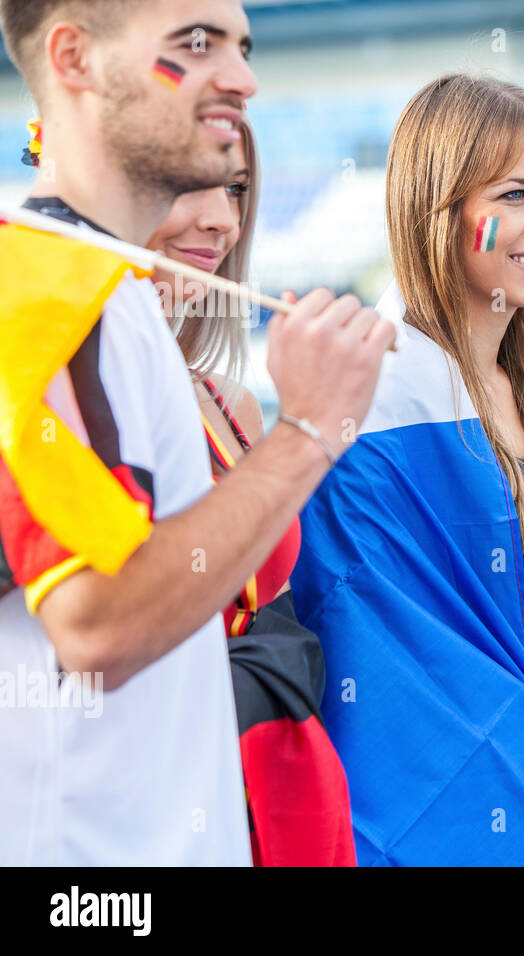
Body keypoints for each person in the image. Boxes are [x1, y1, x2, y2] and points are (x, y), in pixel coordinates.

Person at [0, 0, 392, 865]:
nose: (243, 78)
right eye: (196, 44)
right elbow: (97, 626)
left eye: (243, 48)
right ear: (72, 58)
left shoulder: (109, 292)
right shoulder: (37, 289)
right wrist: (311, 427)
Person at [289, 74, 524, 866]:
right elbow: (363, 636)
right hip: (468, 818)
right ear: (439, 209)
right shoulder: (381, 397)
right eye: (514, 194)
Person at [143, 117, 355, 866]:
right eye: (188, 184)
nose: (224, 220)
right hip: (150, 806)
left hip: (273, 789)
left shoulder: (227, 400)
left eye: (235, 190)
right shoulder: (48, 384)